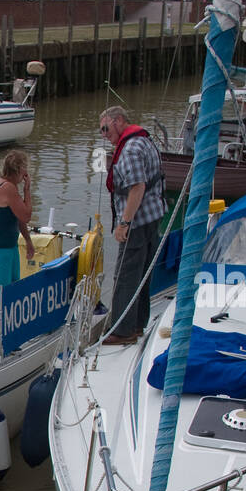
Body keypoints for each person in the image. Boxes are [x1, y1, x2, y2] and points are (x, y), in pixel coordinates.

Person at [99, 105, 165, 346]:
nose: (104, 135)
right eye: (101, 131)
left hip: (137, 221)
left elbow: (137, 188)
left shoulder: (129, 150)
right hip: (153, 216)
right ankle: (137, 323)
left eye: (105, 128)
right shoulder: (144, 141)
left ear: (118, 121)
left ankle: (123, 330)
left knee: (126, 275)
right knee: (143, 273)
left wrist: (123, 223)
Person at [0, 149, 37, 360]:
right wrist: (28, 190)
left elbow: (19, 219)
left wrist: (28, 241)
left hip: (8, 246)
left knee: (12, 291)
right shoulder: (8, 188)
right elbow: (27, 215)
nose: (26, 175)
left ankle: (8, 339)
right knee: (0, 295)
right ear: (20, 170)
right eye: (25, 171)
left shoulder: (9, 188)